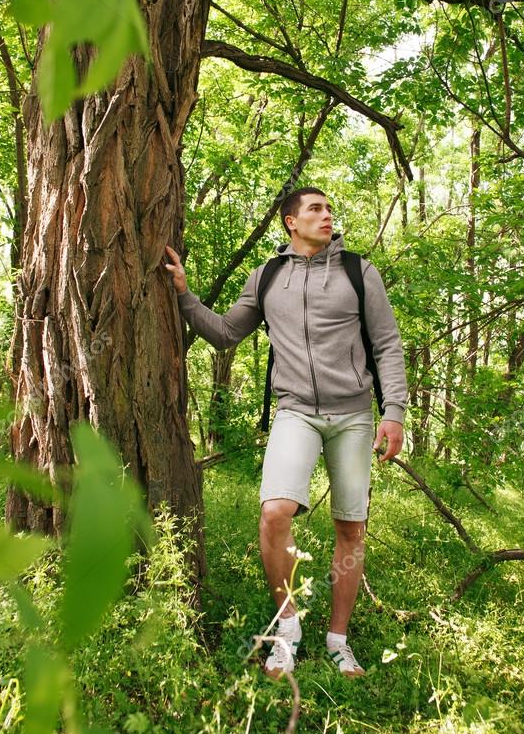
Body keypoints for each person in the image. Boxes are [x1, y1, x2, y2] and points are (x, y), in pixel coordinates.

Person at [164, 187, 407, 679]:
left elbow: (387, 343)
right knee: (274, 513)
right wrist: (185, 295)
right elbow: (227, 333)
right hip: (295, 411)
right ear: (291, 222)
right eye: (315, 209)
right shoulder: (268, 277)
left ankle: (338, 641)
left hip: (354, 415)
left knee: (350, 527)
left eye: (329, 208)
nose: (327, 215)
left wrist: (395, 411)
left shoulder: (358, 272)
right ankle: (288, 628)